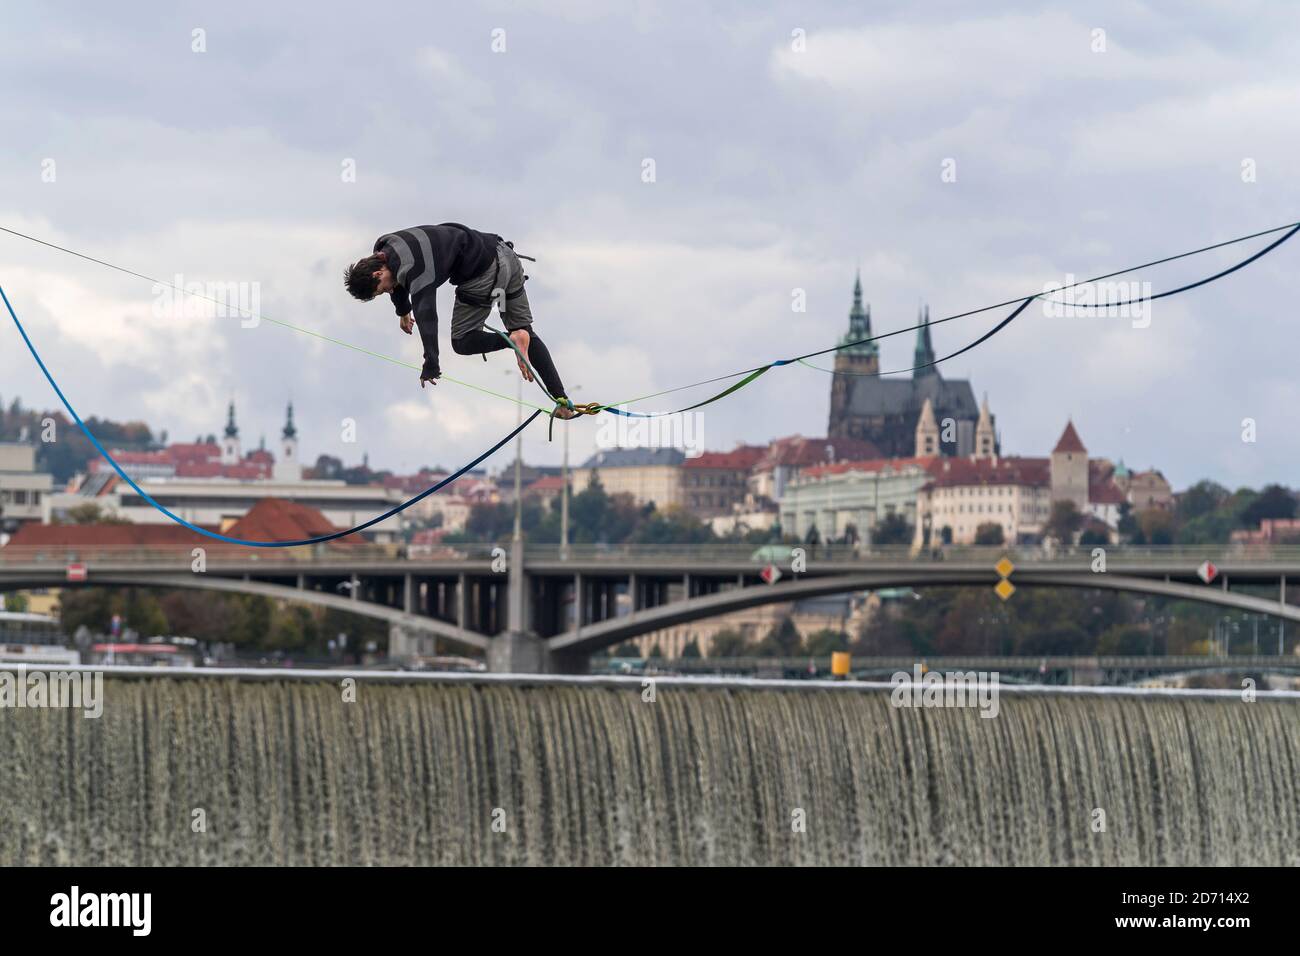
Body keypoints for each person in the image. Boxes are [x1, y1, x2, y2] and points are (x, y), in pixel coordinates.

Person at [344, 223, 577, 418]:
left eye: (382, 289)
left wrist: (431, 364)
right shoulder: (385, 244)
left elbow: (427, 316)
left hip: (483, 274)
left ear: (377, 273)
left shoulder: (415, 271)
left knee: (463, 341)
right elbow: (399, 281)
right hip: (506, 256)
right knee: (527, 333)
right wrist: (403, 310)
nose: (389, 290)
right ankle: (563, 401)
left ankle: (512, 339)